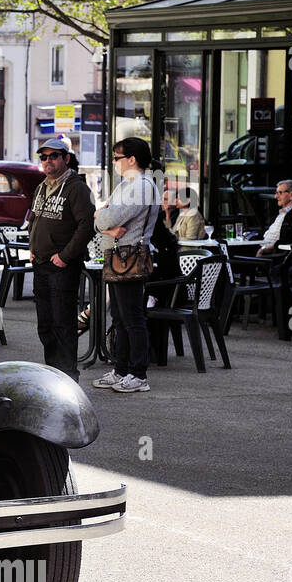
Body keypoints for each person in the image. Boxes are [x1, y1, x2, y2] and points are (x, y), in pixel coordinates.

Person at [92, 136, 159, 393]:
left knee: (132, 317)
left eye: (117, 157)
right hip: (117, 256)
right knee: (119, 317)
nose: (115, 162)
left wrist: (103, 218)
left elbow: (111, 215)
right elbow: (102, 220)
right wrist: (104, 222)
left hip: (130, 256)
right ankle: (121, 369)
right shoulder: (125, 185)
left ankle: (138, 374)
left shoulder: (141, 185)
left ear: (132, 159)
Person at [28, 136, 95, 381]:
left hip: (62, 267)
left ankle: (67, 376)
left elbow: (87, 225)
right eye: (43, 157)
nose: (47, 161)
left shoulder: (77, 188)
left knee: (62, 323)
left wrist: (65, 256)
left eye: (53, 156)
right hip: (41, 263)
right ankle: (52, 373)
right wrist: (32, 245)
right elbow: (34, 217)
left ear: (65, 158)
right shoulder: (42, 186)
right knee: (45, 324)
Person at [257, 179, 292, 255]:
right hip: (263, 248)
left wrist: (263, 249)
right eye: (276, 193)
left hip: (273, 254)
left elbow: (287, 240)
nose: (276, 196)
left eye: (280, 193)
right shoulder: (282, 212)